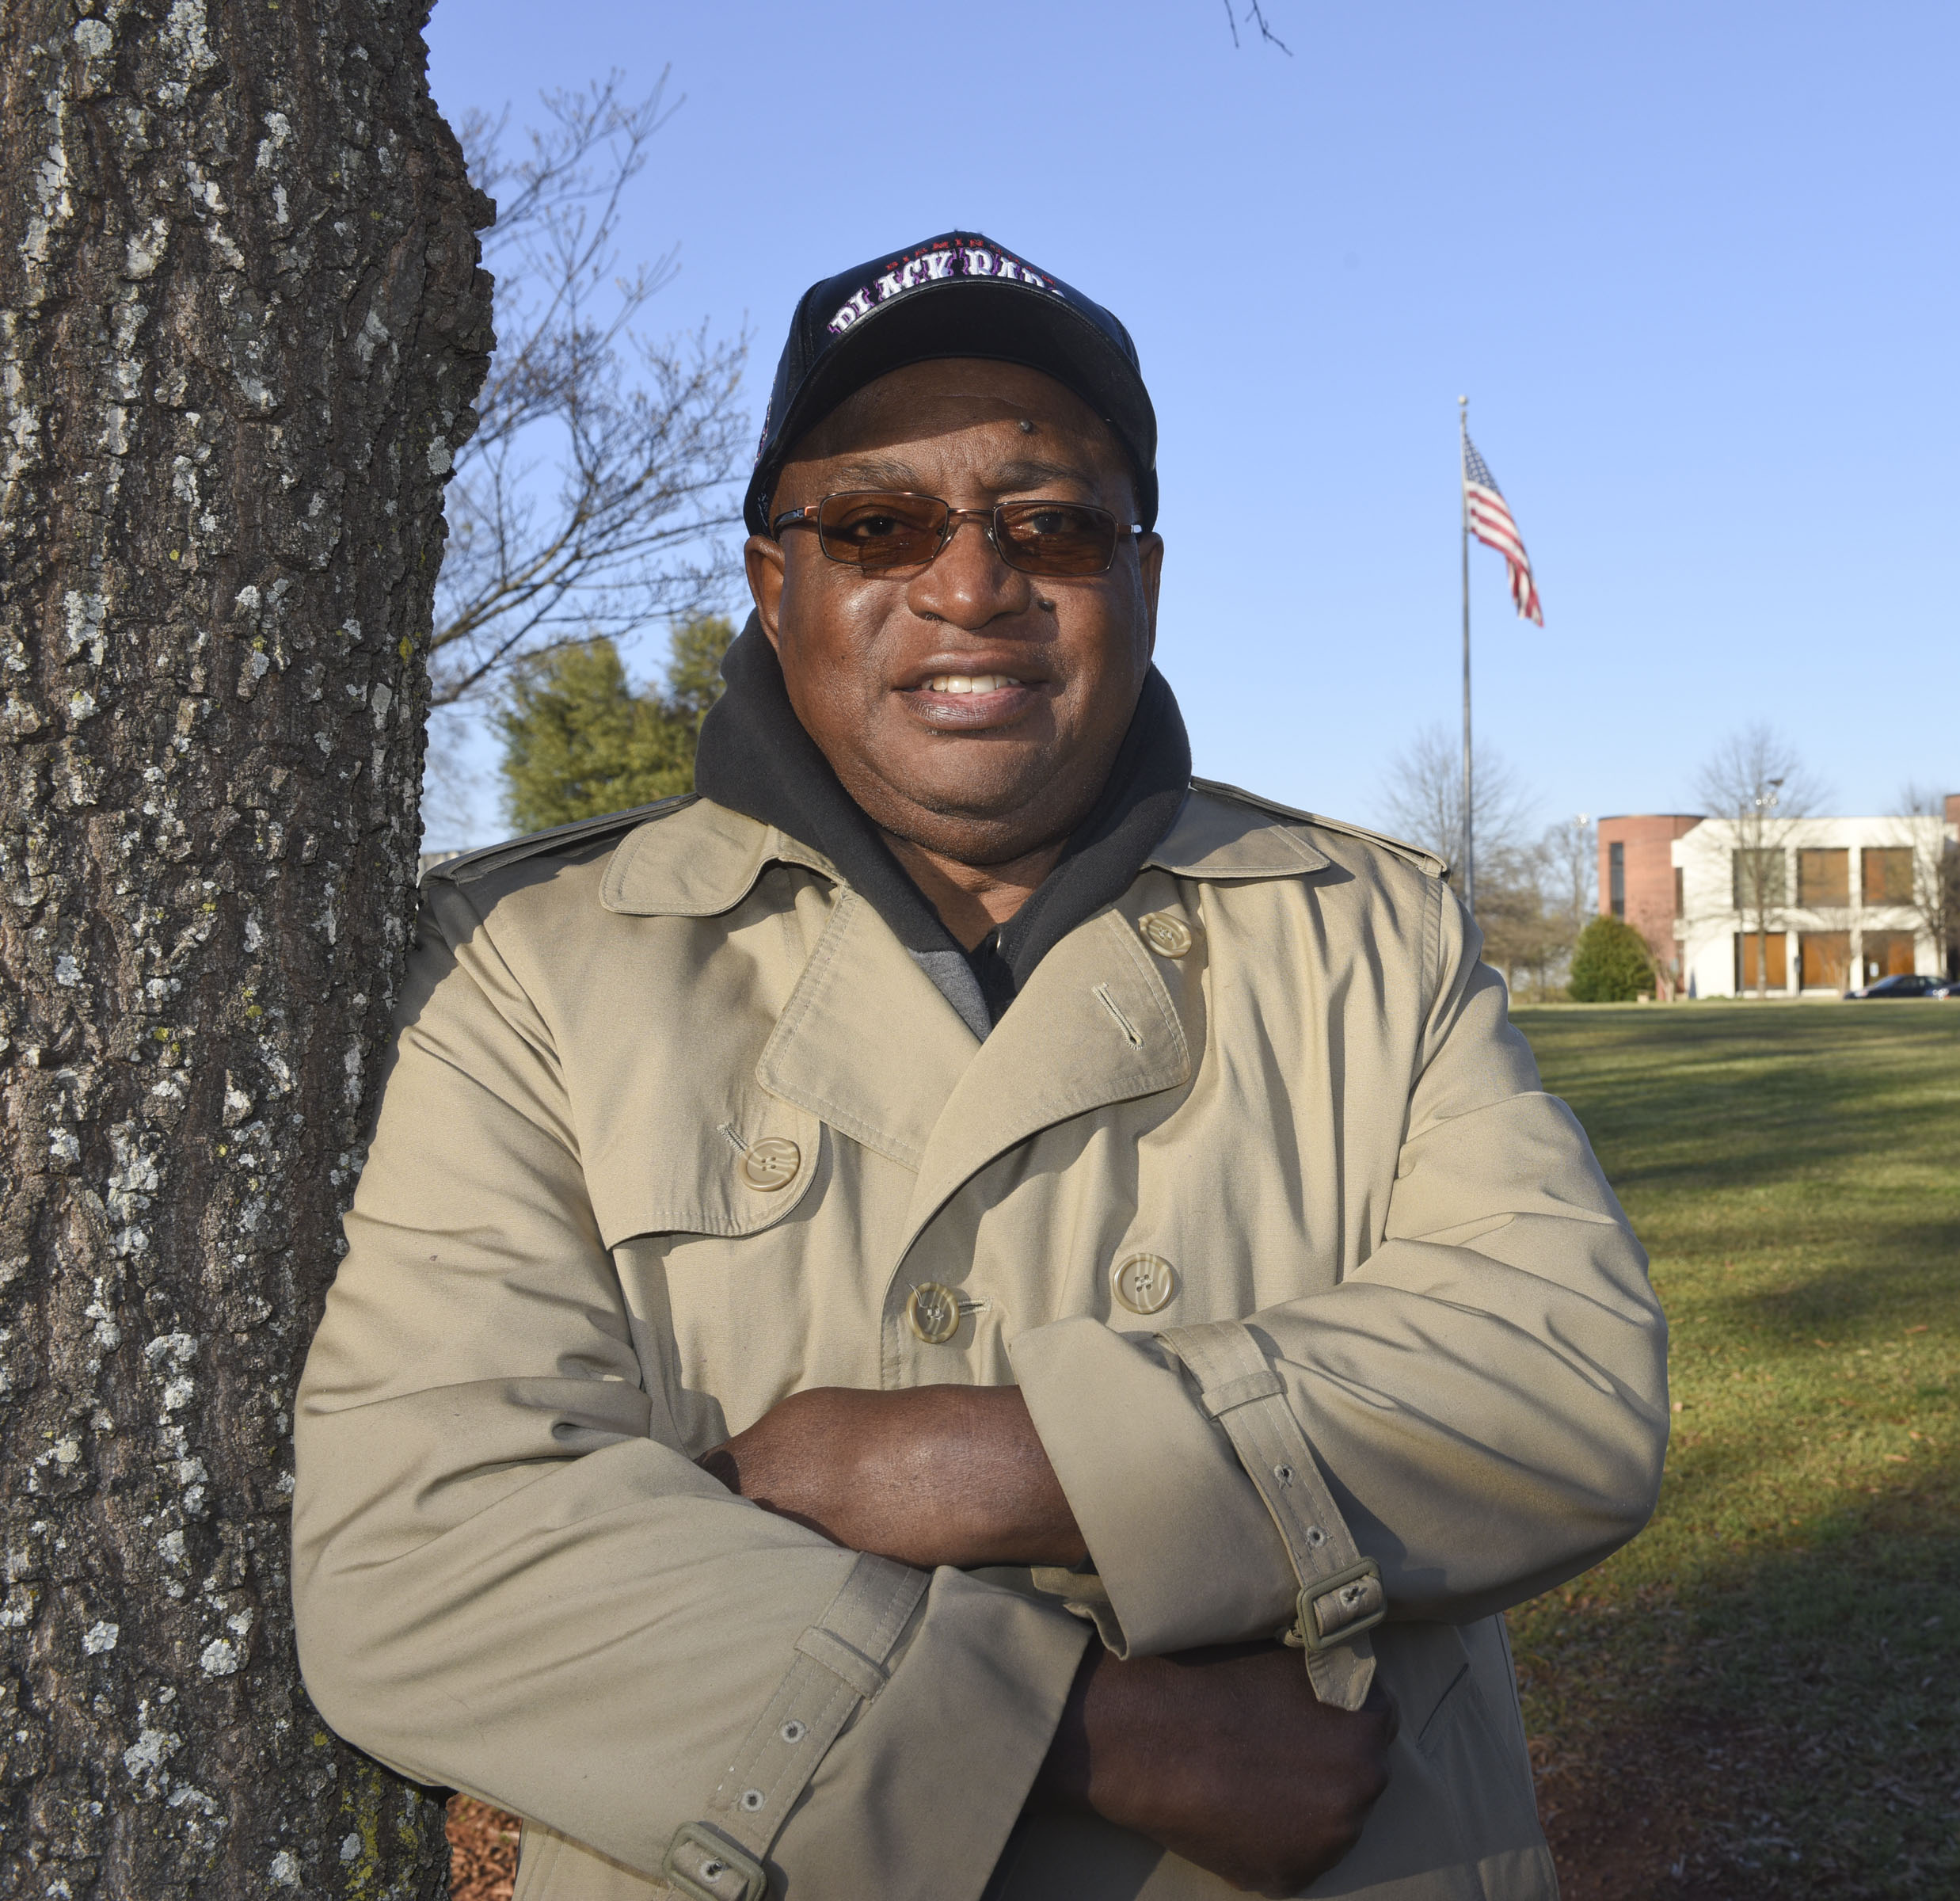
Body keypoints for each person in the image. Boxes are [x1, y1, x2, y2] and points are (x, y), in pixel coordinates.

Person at [291, 229, 1669, 1900]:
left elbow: (1562, 1390)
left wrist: (967, 1460)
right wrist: (1087, 1740)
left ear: (1142, 579)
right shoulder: (537, 972)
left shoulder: (1366, 934)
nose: (970, 583)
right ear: (769, 578)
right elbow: (424, 1552)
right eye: (877, 525)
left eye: (1051, 524)